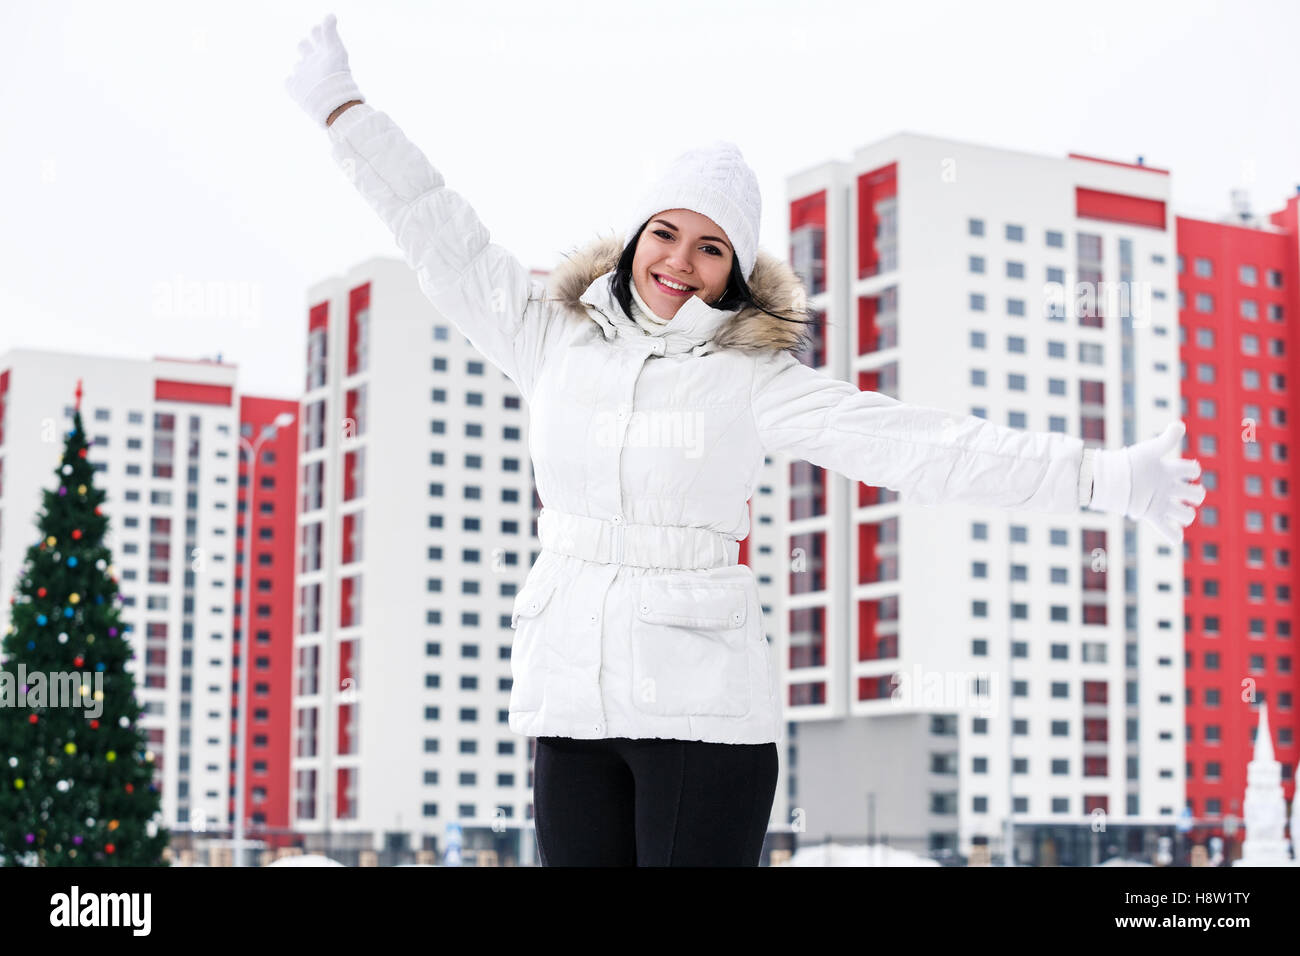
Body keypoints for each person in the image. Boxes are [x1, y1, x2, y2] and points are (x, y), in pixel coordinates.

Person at [285, 14, 1207, 867]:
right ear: (635, 237)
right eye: (666, 233)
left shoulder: (751, 379)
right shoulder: (548, 337)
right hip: (568, 703)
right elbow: (437, 228)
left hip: (702, 720)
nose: (679, 262)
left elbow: (917, 445)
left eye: (710, 248)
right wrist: (344, 111)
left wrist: (1099, 477)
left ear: (735, 272)